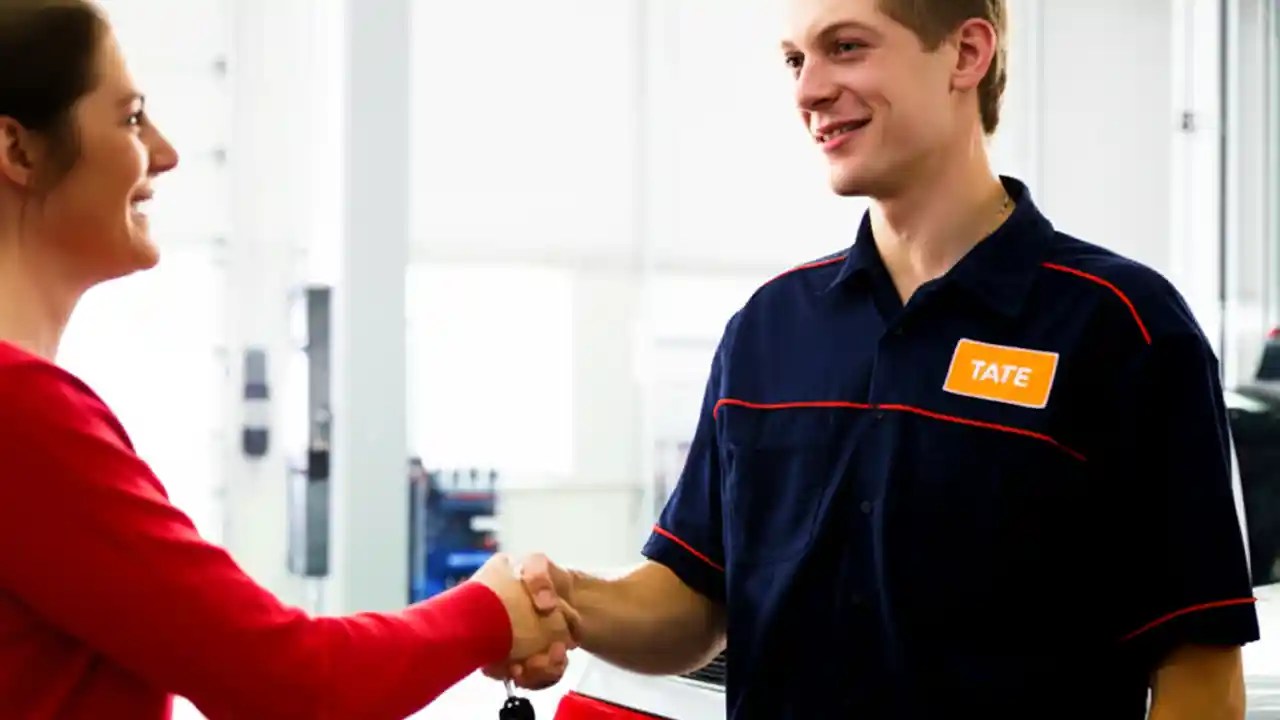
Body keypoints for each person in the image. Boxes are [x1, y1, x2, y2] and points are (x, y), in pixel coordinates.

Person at [493, 0, 1261, 717]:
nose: (811, 91)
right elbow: (697, 601)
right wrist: (567, 600)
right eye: (795, 61)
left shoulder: (1121, 326)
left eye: (846, 48)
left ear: (965, 53)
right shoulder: (769, 328)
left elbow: (1198, 667)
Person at [0, 2, 571, 718]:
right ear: (18, 151)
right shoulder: (21, 411)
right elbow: (294, 683)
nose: (168, 152)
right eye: (132, 117)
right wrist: (490, 611)